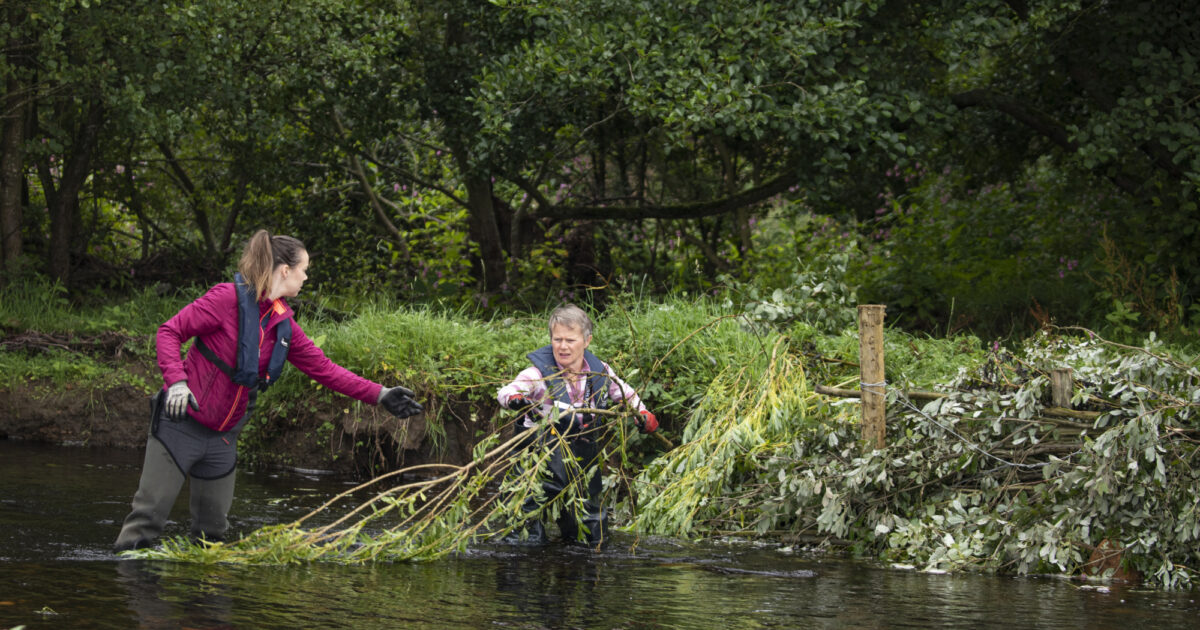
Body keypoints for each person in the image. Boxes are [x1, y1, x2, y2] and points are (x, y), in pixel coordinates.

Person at [114, 230, 423, 552]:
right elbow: (169, 331)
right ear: (285, 270)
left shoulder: (282, 324)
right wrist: (176, 381)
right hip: (180, 427)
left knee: (212, 538)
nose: (306, 277)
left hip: (222, 439)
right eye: (304, 269)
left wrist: (381, 394)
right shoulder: (224, 299)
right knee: (145, 526)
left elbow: (326, 369)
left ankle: (203, 600)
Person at [495, 304, 658, 546]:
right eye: (557, 339)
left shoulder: (600, 372)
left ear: (586, 341)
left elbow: (626, 395)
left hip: (581, 465)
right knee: (523, 541)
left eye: (570, 340)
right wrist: (516, 400)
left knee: (592, 539)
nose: (562, 346)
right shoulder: (538, 373)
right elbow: (506, 391)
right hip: (537, 464)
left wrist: (642, 412)